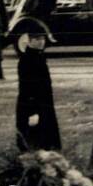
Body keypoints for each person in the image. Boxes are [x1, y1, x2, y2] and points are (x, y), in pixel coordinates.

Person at [15, 23, 60, 151]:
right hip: (32, 105)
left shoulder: (39, 56)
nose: (41, 42)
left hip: (44, 104)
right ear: (29, 41)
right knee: (35, 142)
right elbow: (26, 88)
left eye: (43, 39)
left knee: (46, 140)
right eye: (37, 39)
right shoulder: (26, 60)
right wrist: (32, 112)